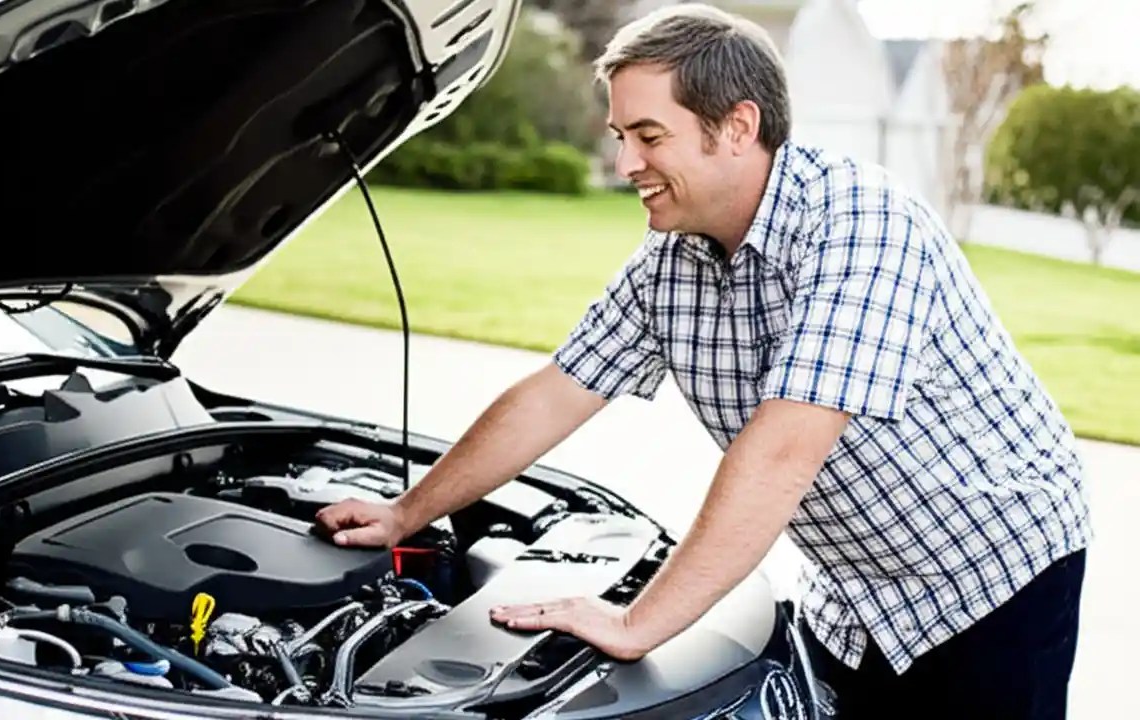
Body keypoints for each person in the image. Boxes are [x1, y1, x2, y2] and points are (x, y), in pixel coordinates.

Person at [314, 4, 1092, 718]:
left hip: (991, 578)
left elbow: (783, 452)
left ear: (736, 126)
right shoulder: (671, 259)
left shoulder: (863, 227)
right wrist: (406, 512)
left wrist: (635, 623)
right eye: (621, 137)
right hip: (852, 594)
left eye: (649, 137)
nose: (626, 165)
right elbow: (553, 394)